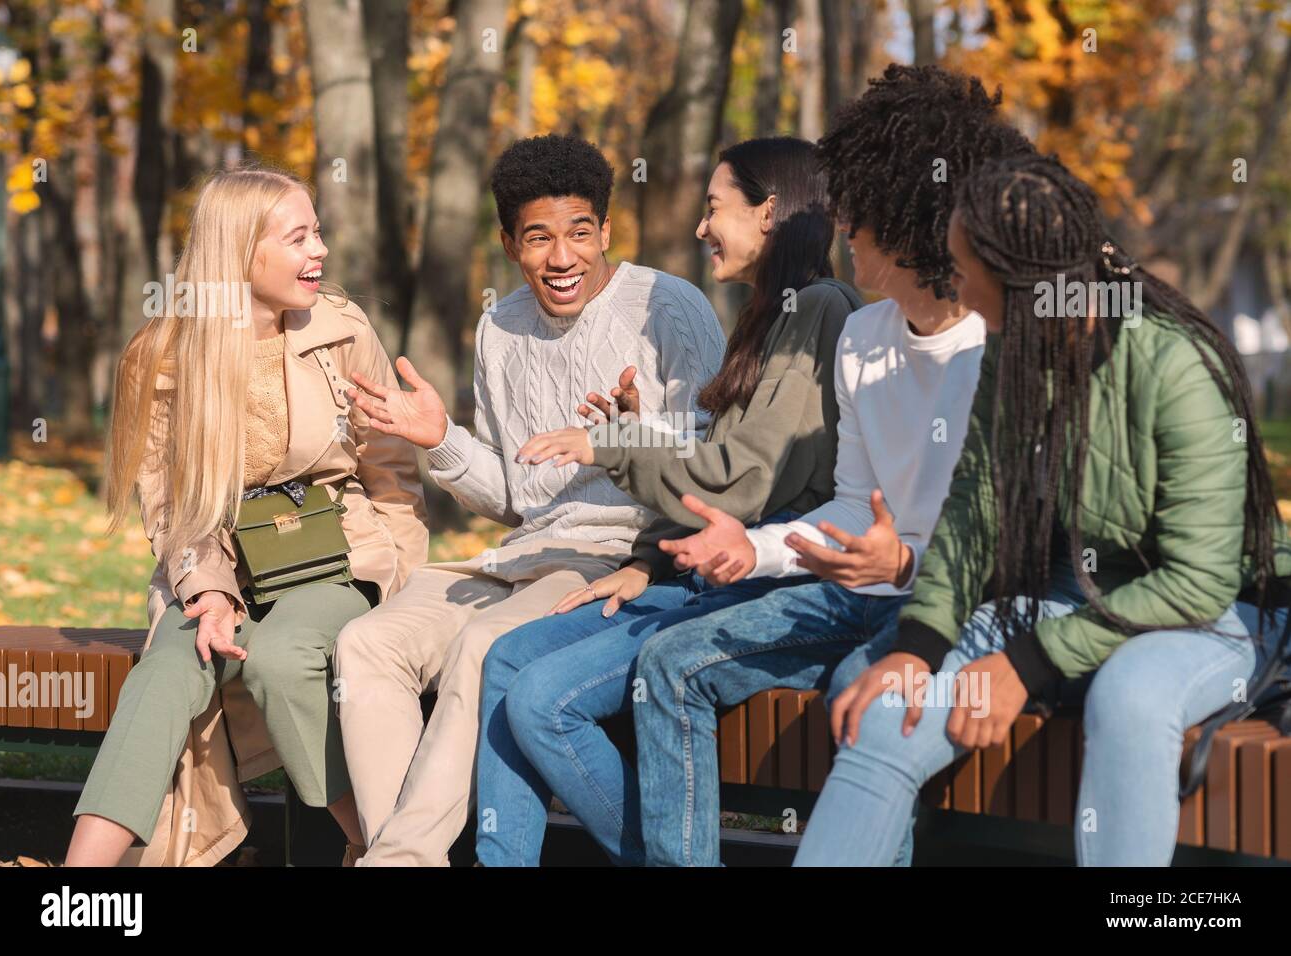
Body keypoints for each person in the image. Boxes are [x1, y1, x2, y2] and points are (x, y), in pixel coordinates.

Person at [795, 151, 1291, 867]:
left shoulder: (1176, 365)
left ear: (1018, 282)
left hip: (1222, 614)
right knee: (885, 710)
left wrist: (1025, 662)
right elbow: (973, 511)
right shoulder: (1013, 347)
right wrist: (919, 646)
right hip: (1080, 602)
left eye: (965, 267)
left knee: (1131, 695)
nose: (954, 281)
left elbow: (1199, 579)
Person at [631, 65, 1036, 867]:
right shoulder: (863, 337)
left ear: (910, 218)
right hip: (857, 588)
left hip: (956, 606)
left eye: (859, 209)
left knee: (861, 686)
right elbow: (853, 506)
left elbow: (1026, 539)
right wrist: (759, 549)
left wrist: (909, 561)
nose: (841, 223)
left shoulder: (1000, 342)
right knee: (668, 662)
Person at [335, 134, 726, 866]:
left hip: (619, 557)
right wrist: (441, 439)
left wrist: (634, 437)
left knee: (484, 648)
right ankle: (403, 851)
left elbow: (718, 451)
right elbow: (517, 496)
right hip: (524, 554)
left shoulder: (668, 307)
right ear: (511, 242)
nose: (563, 257)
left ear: (607, 230)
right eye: (539, 238)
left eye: (581, 232)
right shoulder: (500, 326)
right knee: (366, 642)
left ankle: (395, 861)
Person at [475, 135, 861, 866]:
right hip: (695, 574)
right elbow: (708, 449)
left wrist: (605, 446)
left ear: (770, 212)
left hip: (766, 586)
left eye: (715, 209)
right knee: (503, 662)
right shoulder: (769, 315)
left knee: (543, 702)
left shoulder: (819, 311)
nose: (701, 228)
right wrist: (649, 558)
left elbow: (740, 479)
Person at [65, 167, 429, 867]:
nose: (318, 250)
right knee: (173, 664)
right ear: (240, 253)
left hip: (334, 555)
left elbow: (393, 474)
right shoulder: (164, 353)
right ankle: (73, 883)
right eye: (298, 237)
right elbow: (169, 500)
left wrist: (404, 583)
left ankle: (383, 849)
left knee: (281, 656)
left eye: (317, 231)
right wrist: (206, 593)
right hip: (213, 557)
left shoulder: (343, 330)